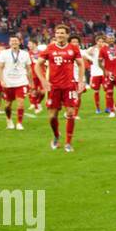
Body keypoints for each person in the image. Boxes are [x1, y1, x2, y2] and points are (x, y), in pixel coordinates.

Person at [34, 24, 83, 152]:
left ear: (67, 35)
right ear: (55, 35)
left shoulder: (73, 48)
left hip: (69, 85)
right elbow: (37, 65)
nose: (60, 35)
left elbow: (81, 64)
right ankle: (56, 135)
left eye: (62, 33)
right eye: (58, 33)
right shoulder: (49, 48)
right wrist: (43, 80)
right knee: (52, 116)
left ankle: (68, 142)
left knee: (71, 113)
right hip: (53, 86)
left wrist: (81, 81)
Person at [0, 34, 32, 130]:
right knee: (8, 105)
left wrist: (30, 82)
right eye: (12, 41)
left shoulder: (25, 54)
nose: (14, 42)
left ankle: (19, 123)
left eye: (16, 41)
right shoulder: (4, 53)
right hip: (8, 82)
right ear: (9, 43)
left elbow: (29, 69)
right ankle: (9, 120)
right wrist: (1, 80)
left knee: (21, 103)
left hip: (21, 82)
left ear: (20, 42)